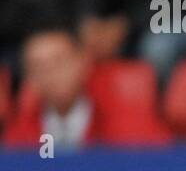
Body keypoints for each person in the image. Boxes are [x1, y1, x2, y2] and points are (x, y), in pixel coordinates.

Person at [5, 25, 170, 149]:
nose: (50, 74)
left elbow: (158, 166)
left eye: (59, 62)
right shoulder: (20, 134)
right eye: (38, 67)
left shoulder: (127, 122)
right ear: (28, 77)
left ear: (82, 62)